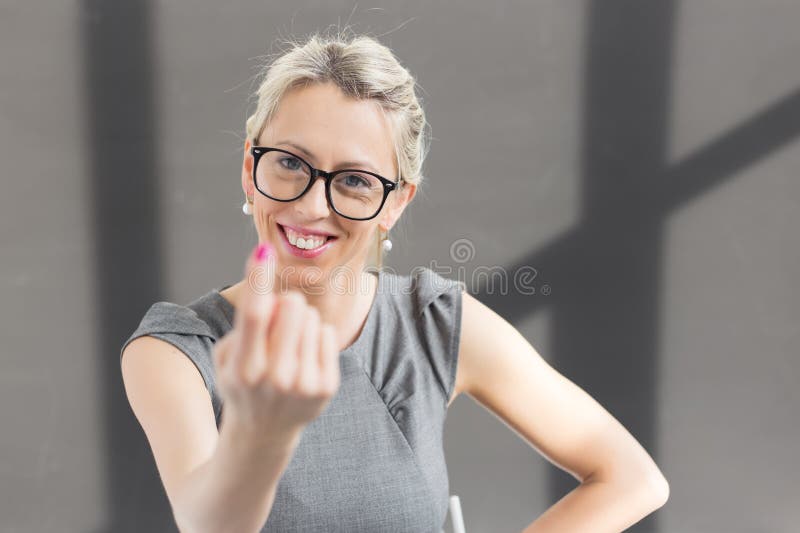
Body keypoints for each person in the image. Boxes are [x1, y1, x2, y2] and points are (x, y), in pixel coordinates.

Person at [120, 31, 669, 533]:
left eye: (355, 181)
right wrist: (264, 432)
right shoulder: (174, 351)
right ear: (249, 168)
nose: (312, 205)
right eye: (289, 162)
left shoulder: (431, 323)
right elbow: (207, 524)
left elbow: (633, 477)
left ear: (396, 203)